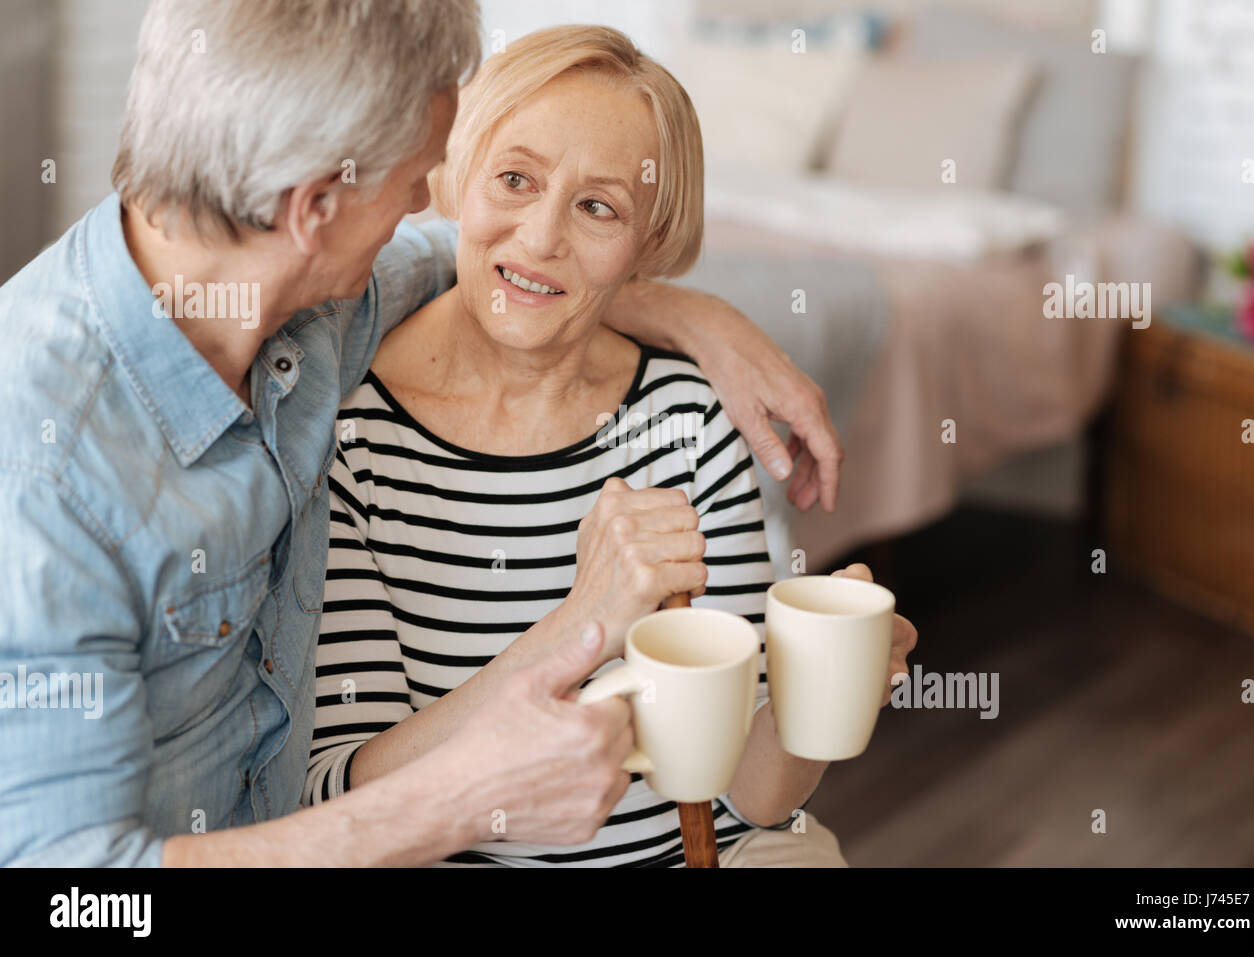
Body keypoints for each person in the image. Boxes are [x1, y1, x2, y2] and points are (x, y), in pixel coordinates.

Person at [0, 0, 851, 867]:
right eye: (415, 178)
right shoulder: (45, 470)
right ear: (316, 206)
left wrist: (691, 311)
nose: (424, 201)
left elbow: (491, 261)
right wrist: (465, 798)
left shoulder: (302, 309)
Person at [305, 25, 917, 867]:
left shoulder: (689, 419)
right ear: (453, 178)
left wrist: (829, 693)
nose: (541, 236)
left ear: (649, 248)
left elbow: (752, 791)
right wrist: (583, 623)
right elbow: (349, 799)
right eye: (514, 178)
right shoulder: (354, 442)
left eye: (599, 206)